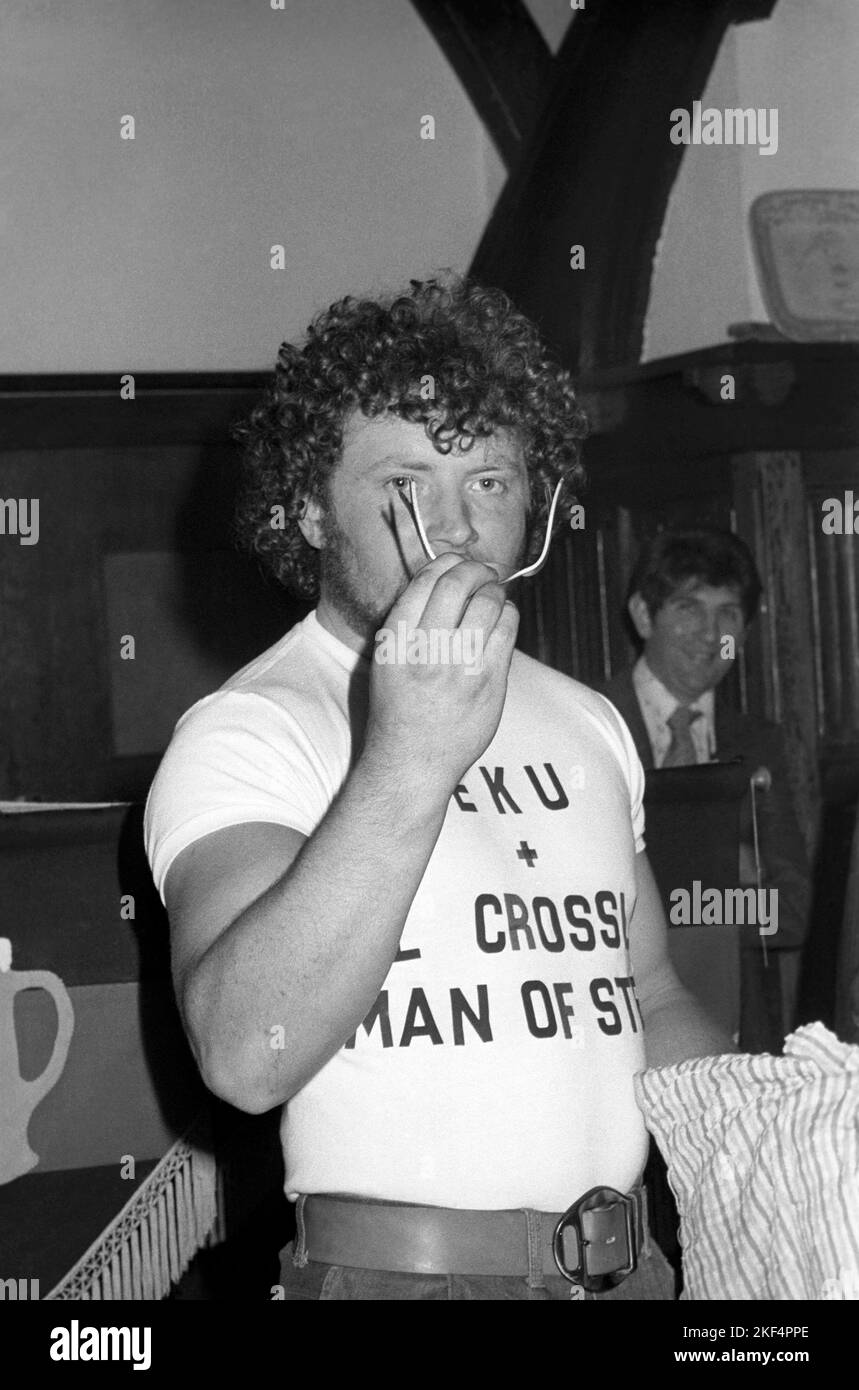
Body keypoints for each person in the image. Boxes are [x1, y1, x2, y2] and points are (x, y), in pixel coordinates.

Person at [144, 277, 732, 1301]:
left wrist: (767, 1117)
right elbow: (245, 1053)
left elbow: (649, 994)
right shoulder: (254, 729)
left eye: (490, 481)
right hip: (406, 1281)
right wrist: (408, 757)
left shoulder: (588, 719)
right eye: (406, 484)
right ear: (315, 514)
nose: (454, 526)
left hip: (629, 1273)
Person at [601, 528, 811, 1051]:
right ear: (645, 615)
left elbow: (791, 912)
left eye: (729, 615)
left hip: (736, 1039)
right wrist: (726, 872)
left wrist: (682, 898)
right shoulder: (588, 722)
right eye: (688, 608)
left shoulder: (759, 743)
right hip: (615, 1031)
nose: (709, 633)